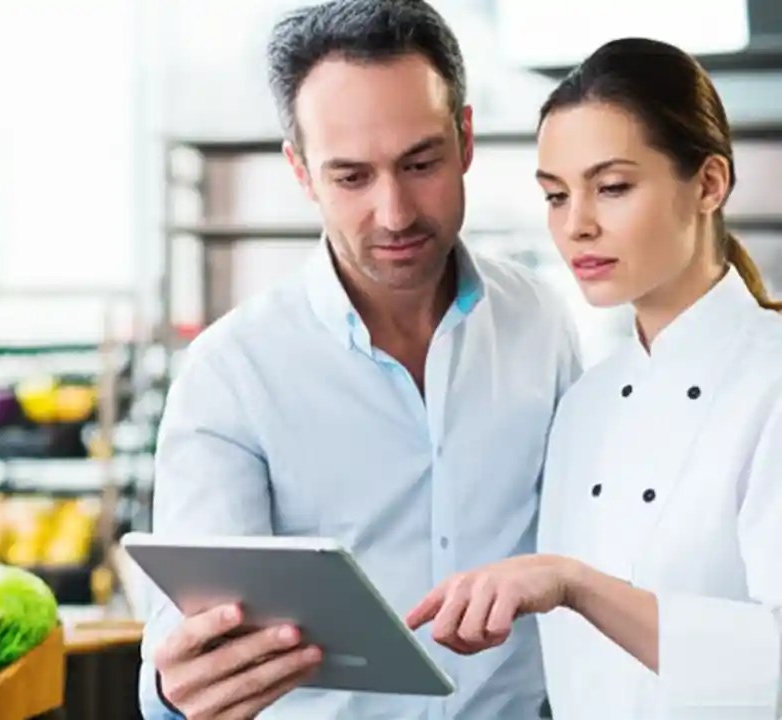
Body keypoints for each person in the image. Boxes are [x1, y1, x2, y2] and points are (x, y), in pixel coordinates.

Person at [137, 1, 582, 718]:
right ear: (302, 171)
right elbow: (185, 629)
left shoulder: (541, 323)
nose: (396, 212)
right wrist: (171, 686)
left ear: (464, 139)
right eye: (351, 177)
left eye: (421, 163)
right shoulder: (231, 373)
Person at [405, 37, 782, 718]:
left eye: (611, 187)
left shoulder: (771, 381)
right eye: (555, 195)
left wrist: (575, 583)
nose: (576, 226)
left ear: (709, 183)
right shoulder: (584, 404)